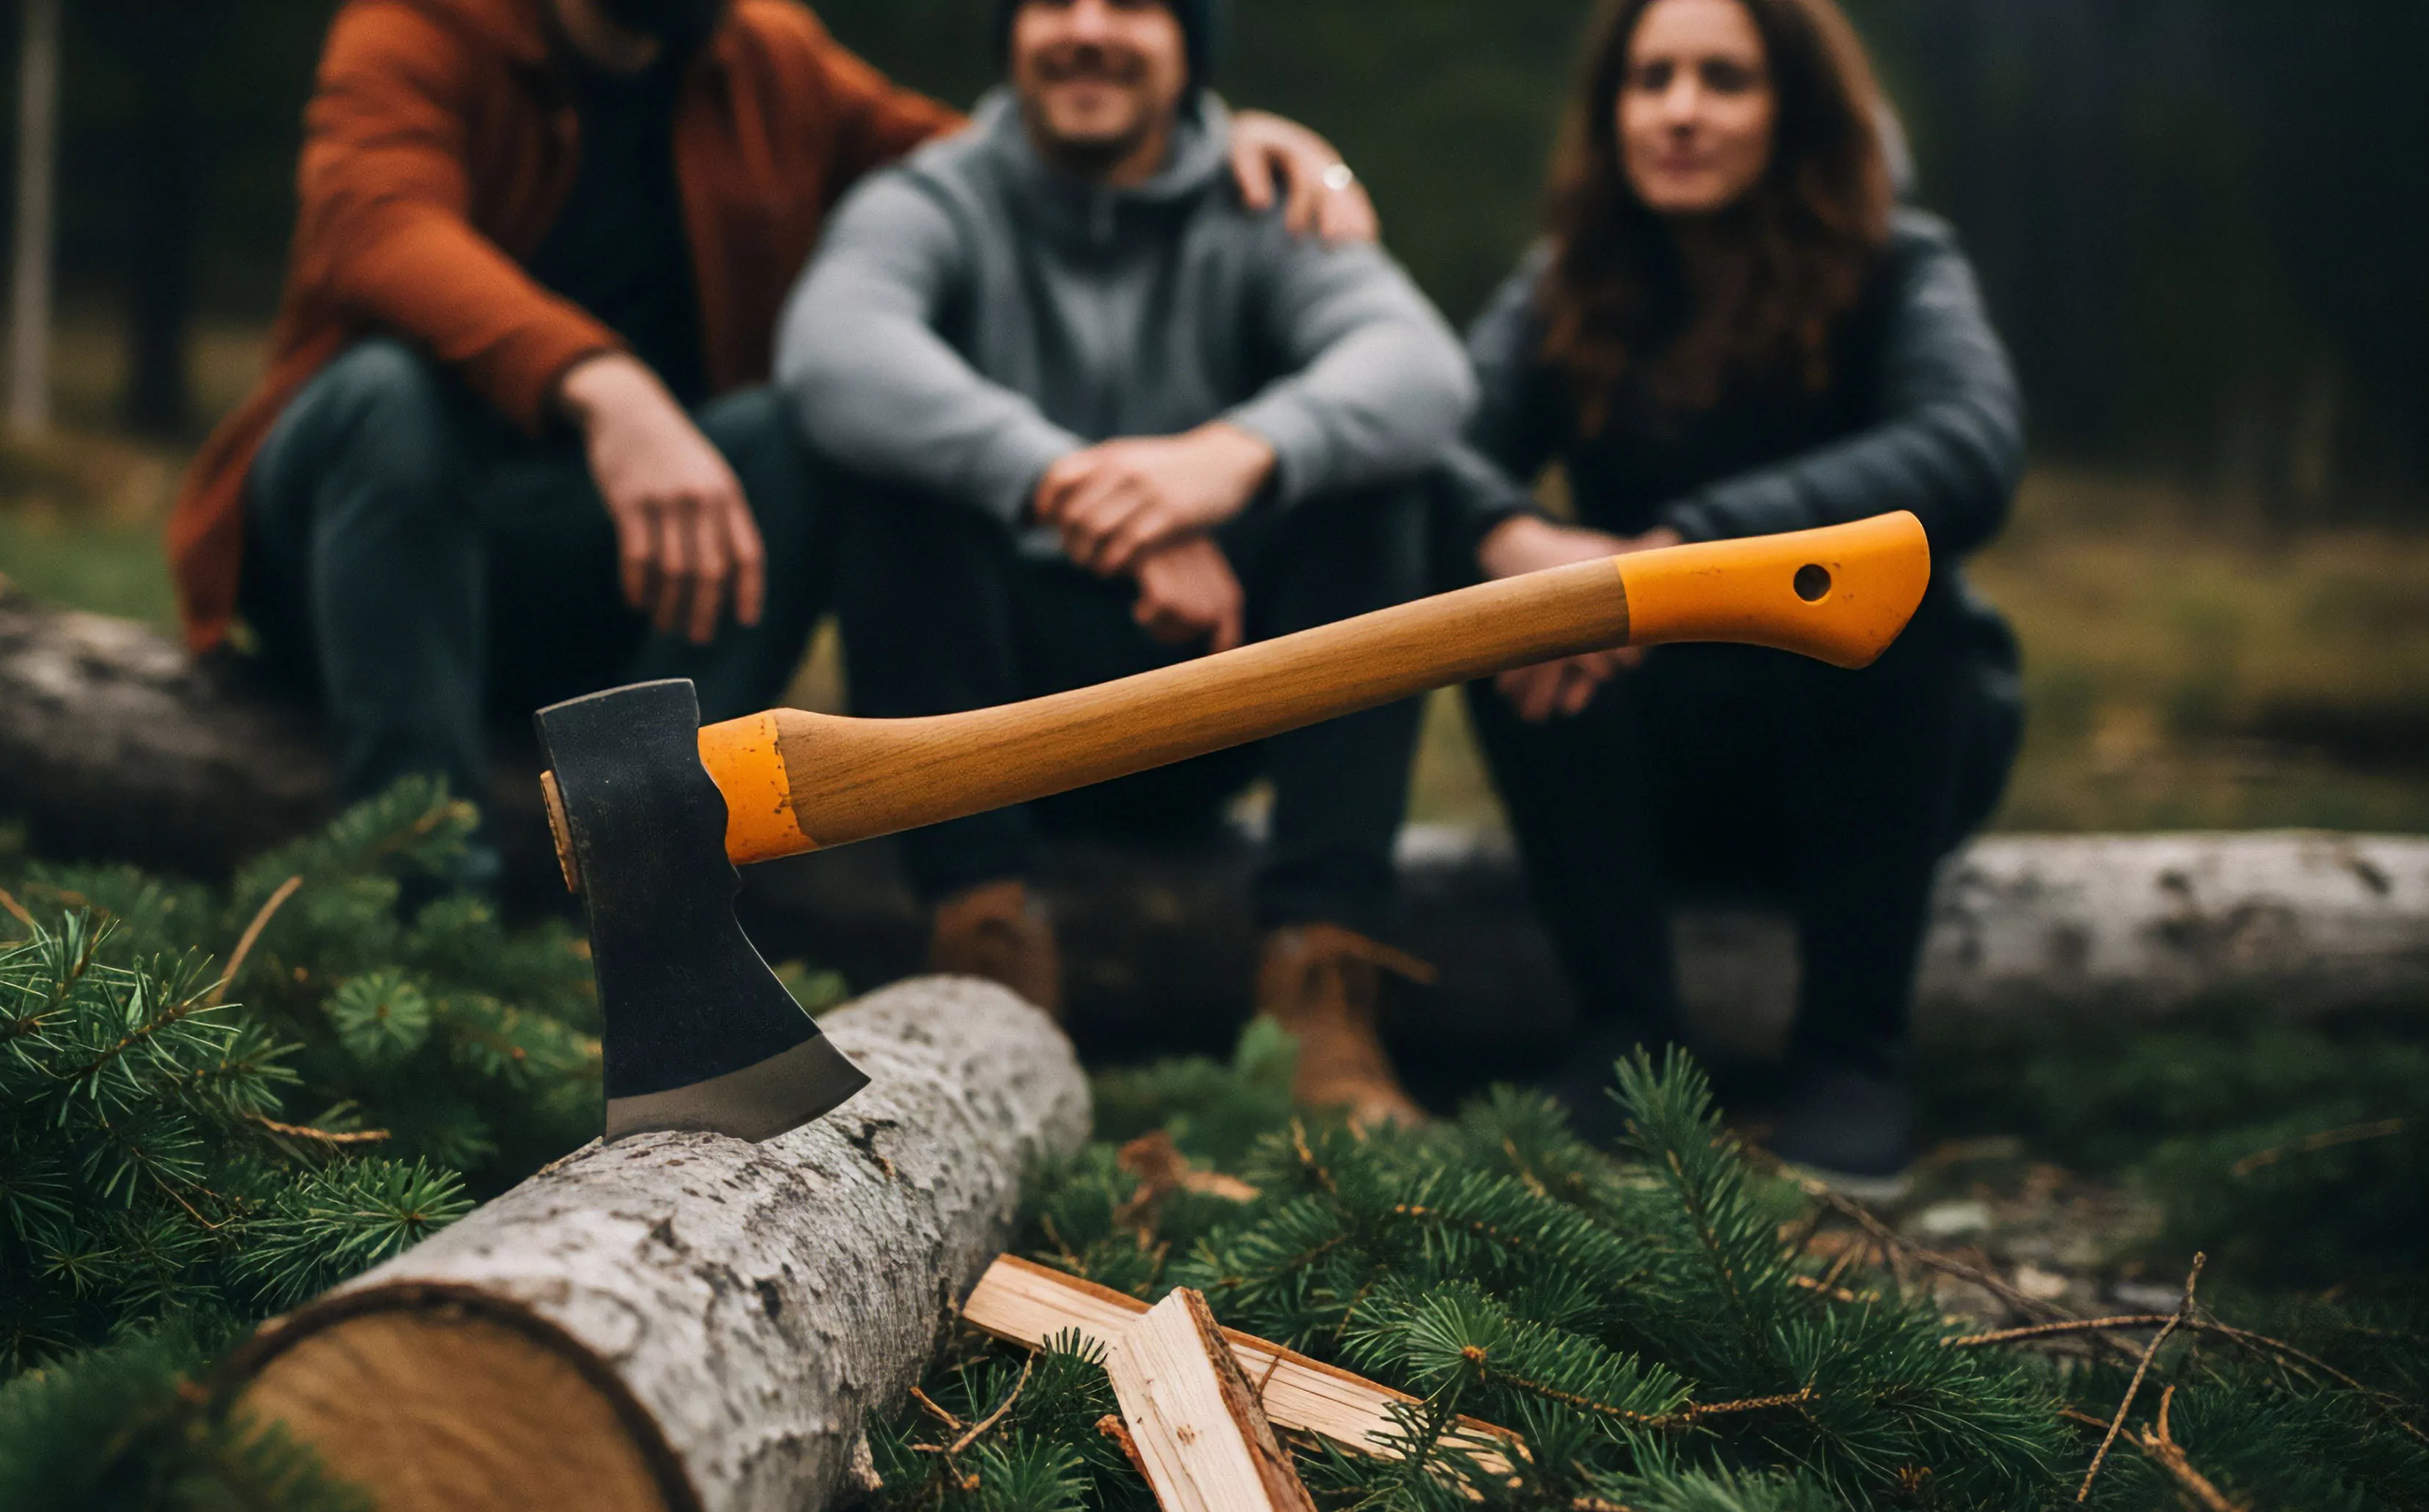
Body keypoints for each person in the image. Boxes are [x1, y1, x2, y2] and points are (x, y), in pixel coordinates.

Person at [163, 0, 1376, 887]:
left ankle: (649, 873)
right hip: (363, 553)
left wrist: (1227, 139)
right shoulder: (420, 28)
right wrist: (603, 386)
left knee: (799, 433)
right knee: (390, 395)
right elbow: (372, 225)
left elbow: (995, 165)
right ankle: (421, 894)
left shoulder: (765, 59)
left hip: (605, 567)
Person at [779, 0, 1474, 1123]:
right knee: (890, 482)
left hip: (1215, 681)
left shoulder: (1269, 202)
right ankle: (985, 951)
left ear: (1190, 43)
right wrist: (1076, 488)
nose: (1086, 29)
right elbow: (834, 351)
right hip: (995, 714)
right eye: (1052, 3)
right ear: (1007, 34)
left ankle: (1322, 982)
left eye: (1132, 5)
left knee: (1377, 484)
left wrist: (1231, 457)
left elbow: (1419, 368)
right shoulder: (931, 195)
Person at [1442, 0, 2025, 1188]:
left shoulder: (1899, 263)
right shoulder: (1570, 281)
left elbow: (1969, 443)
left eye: (1724, 78)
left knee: (1892, 592)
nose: (1679, 110)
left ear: (1795, 106)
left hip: (1872, 764)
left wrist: (1675, 561)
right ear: (1612, 110)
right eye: (1649, 78)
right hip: (1655, 769)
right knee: (1508, 613)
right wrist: (1512, 535)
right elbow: (1431, 437)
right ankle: (1627, 1039)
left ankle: (1852, 1056)